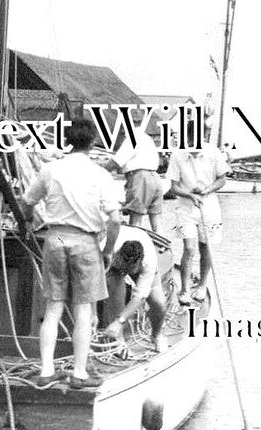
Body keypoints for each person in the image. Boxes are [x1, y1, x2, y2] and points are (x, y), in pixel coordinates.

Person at [21, 117, 123, 389]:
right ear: (93, 142)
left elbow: (27, 201)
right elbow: (115, 220)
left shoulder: (50, 169)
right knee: (83, 310)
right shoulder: (101, 175)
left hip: (55, 238)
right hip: (86, 242)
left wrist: (28, 220)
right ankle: (79, 373)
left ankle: (46, 370)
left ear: (67, 141)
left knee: (53, 307)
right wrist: (108, 251)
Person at [164, 118, 229, 305]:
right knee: (189, 248)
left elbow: (222, 179)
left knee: (205, 247)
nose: (194, 146)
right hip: (185, 207)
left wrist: (206, 190)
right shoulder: (178, 155)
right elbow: (173, 187)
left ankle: (202, 285)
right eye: (191, 141)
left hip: (209, 206)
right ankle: (184, 290)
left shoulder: (213, 152)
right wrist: (190, 195)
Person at [101, 227, 169, 353]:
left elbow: (140, 297)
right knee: (116, 290)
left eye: (130, 269)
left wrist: (120, 321)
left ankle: (156, 335)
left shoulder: (148, 262)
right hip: (113, 261)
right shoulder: (106, 247)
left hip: (139, 254)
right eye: (124, 267)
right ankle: (118, 341)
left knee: (159, 302)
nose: (126, 271)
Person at [111, 129, 165, 232]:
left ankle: (134, 240)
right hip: (155, 177)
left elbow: (116, 162)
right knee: (157, 223)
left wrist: (96, 170)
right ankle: (161, 242)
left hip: (141, 177)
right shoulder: (146, 137)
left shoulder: (131, 138)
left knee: (135, 221)